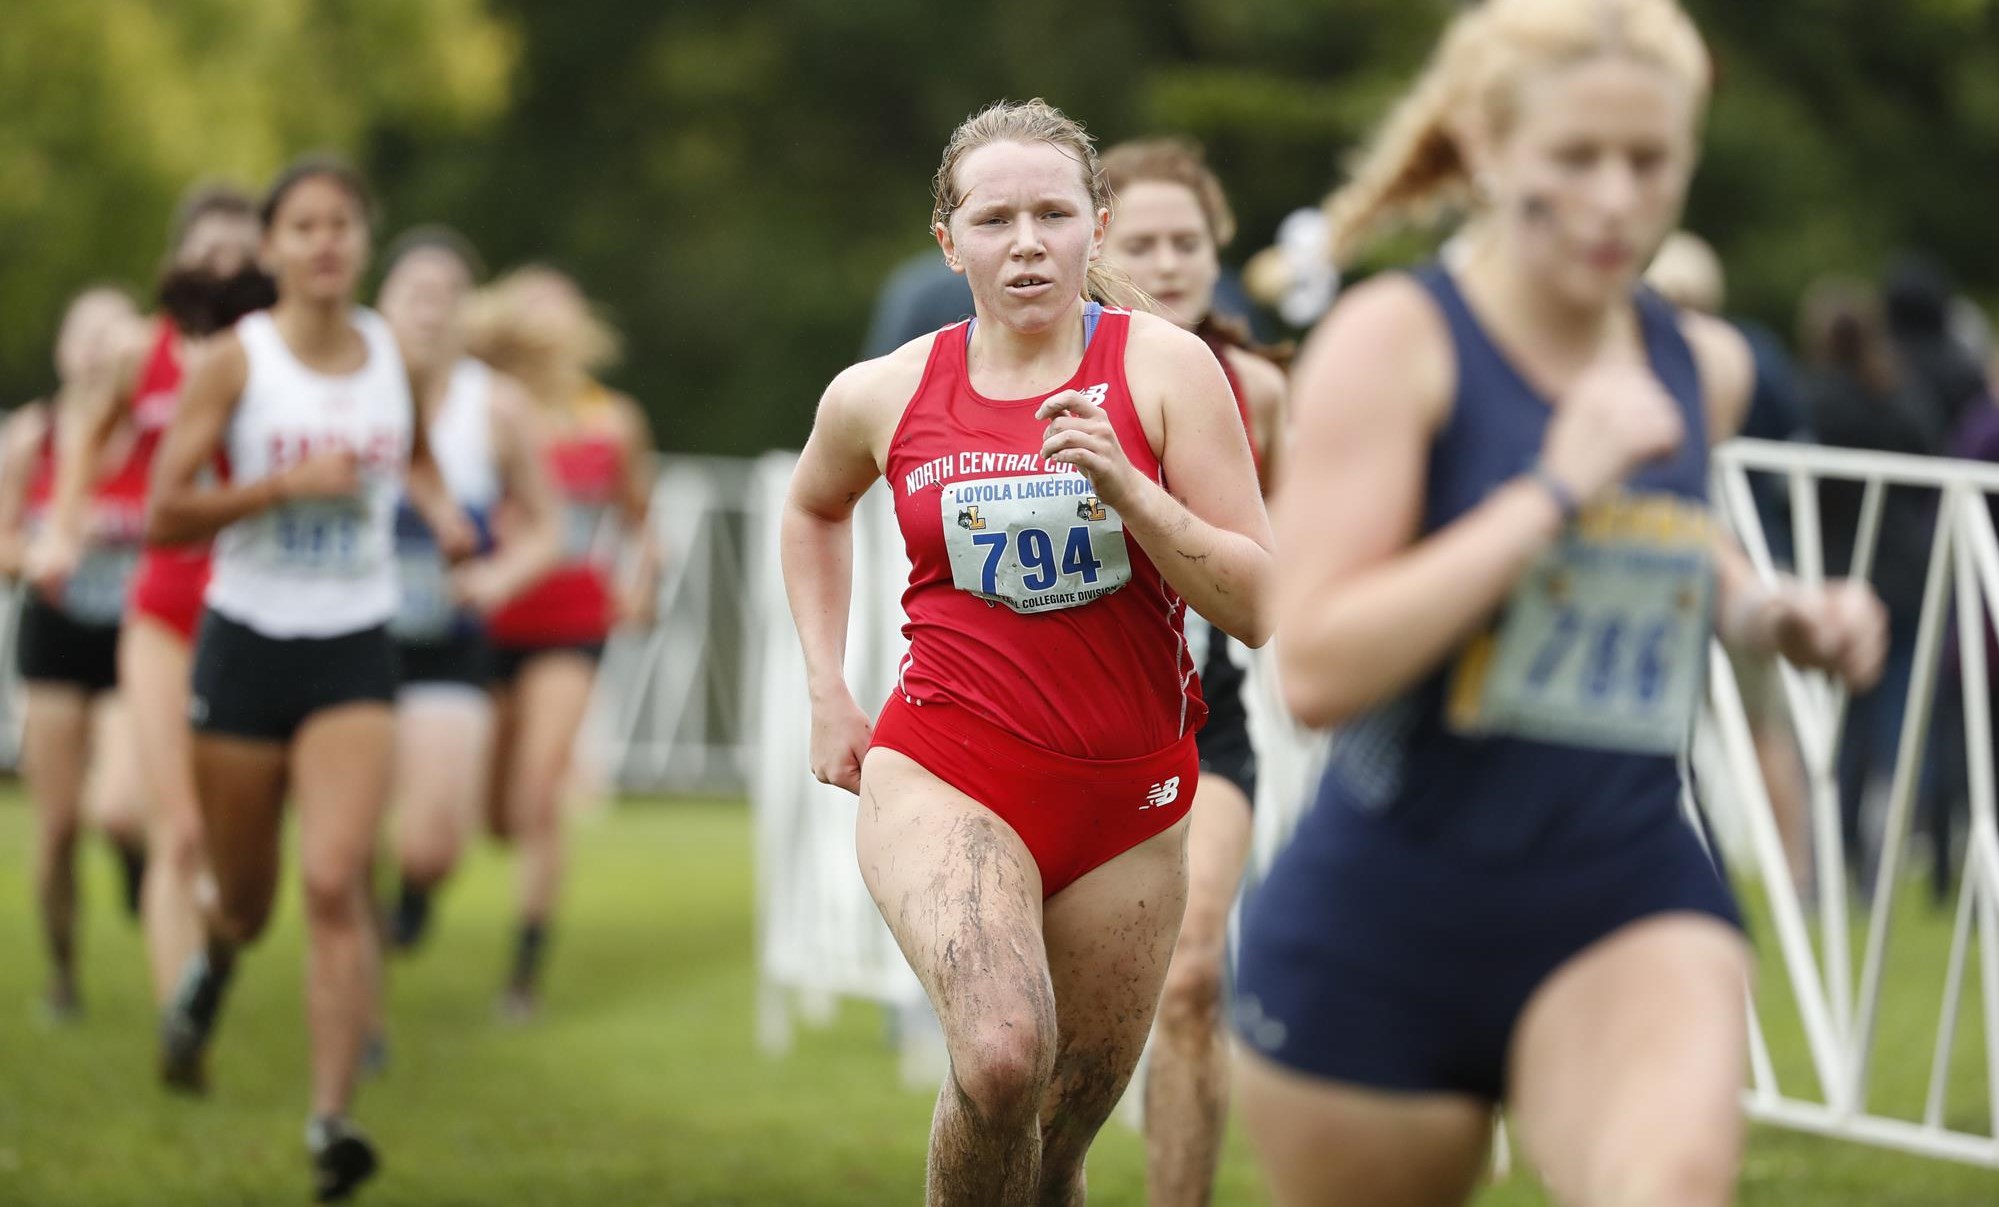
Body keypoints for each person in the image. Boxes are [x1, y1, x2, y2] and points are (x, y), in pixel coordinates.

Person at [1230, 4, 1888, 1205]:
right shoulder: (1395, 342)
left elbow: (1663, 547)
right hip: (1385, 917)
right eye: (1574, 158)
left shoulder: (1702, 363)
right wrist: (1546, 488)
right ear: (1487, 150)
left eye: (1649, 163)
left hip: (1621, 888)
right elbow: (1316, 667)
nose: (1613, 200)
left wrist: (1770, 616)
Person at [783, 98, 1272, 1206]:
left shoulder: (1168, 369)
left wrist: (1131, 490)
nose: (1027, 242)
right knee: (1000, 1054)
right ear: (948, 241)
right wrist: (827, 683)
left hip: (1128, 799)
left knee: (1055, 1148)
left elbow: (1259, 603)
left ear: (1096, 225)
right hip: (948, 769)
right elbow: (812, 508)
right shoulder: (885, 390)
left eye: (1053, 212)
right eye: (995, 218)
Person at [145, 156, 472, 1202]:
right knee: (245, 900)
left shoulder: (387, 354)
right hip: (245, 640)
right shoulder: (237, 362)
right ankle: (212, 964)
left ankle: (331, 1123)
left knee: (334, 882)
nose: (325, 242)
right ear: (274, 248)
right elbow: (164, 511)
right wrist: (283, 485)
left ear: (361, 240)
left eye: (342, 224)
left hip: (350, 644)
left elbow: (415, 453)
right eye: (304, 226)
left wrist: (443, 507)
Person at [1097, 135, 1287, 1207]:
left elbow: (1289, 551)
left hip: (1205, 720)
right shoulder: (1031, 369)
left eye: (1189, 241)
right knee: (1051, 1021)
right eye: (1141, 241)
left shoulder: (1254, 389)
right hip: (1057, 716)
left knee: (1192, 977)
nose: (1167, 263)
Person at [24, 186, 266, 1010]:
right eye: (210, 249)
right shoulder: (145, 354)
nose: (225, 265)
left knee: (237, 854)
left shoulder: (287, 355)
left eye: (243, 249)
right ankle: (163, 1013)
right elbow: (84, 435)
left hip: (257, 612)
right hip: (152, 609)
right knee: (120, 816)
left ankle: (225, 957)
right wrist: (58, 533)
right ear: (181, 260)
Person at [464, 266, 662, 1019]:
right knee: (496, 815)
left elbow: (643, 521)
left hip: (574, 623)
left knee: (541, 789)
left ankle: (522, 970)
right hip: (487, 619)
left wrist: (641, 582)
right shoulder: (486, 411)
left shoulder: (613, 420)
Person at [375, 230, 559, 952]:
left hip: (449, 642)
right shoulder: (346, 391)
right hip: (351, 636)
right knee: (348, 838)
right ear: (381, 303)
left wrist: (495, 577)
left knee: (429, 846)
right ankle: (360, 1002)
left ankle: (414, 889)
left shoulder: (498, 406)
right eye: (413, 295)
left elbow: (546, 529)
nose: (428, 312)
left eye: (446, 296)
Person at [0, 286, 149, 1019]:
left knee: (116, 807)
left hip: (136, 638)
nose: (96, 350)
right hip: (55, 634)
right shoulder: (33, 437)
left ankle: (133, 852)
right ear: (62, 351)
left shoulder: (161, 432)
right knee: (56, 827)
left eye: (113, 336)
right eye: (83, 335)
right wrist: (40, 553)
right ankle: (63, 976)